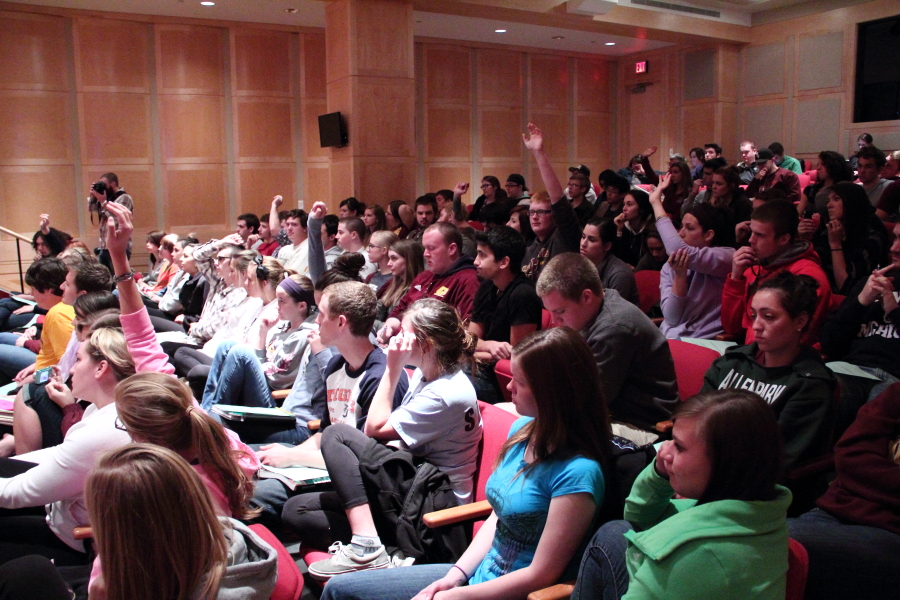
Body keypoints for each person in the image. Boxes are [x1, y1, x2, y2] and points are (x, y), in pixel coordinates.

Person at [318, 327, 611, 600]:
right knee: (338, 590)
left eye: (520, 382)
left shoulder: (579, 472)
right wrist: (455, 576)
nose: (508, 386)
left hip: (509, 593)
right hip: (474, 577)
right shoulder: (521, 432)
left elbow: (541, 574)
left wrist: (459, 595)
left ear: (552, 394)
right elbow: (498, 517)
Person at [285, 299, 483, 579]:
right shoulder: (427, 376)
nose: (396, 338)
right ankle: (390, 552)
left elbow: (374, 428)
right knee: (297, 509)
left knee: (337, 435)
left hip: (434, 504)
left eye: (404, 333)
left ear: (426, 343)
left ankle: (367, 547)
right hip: (412, 486)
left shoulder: (446, 392)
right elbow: (389, 442)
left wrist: (392, 369)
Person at [571, 389, 791, 600]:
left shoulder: (692, 557)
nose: (664, 451)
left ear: (724, 463)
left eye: (679, 446)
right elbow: (639, 518)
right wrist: (659, 474)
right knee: (614, 532)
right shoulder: (754, 507)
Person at [2, 444, 277, 600]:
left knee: (28, 573)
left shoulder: (118, 587)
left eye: (99, 518)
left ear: (125, 534)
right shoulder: (224, 544)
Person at [536, 253, 678, 443]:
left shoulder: (615, 327)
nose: (555, 321)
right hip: (611, 415)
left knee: (551, 435)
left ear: (586, 296)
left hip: (642, 425)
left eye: (560, 311)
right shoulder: (593, 310)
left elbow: (590, 399)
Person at [702, 273, 836, 472]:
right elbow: (696, 420)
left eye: (769, 317)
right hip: (703, 461)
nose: (756, 326)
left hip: (751, 483)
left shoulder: (810, 384)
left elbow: (780, 457)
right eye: (754, 315)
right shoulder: (730, 364)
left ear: (800, 321)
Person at [787, 383, 900, 600]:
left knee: (770, 544)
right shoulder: (894, 393)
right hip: (833, 511)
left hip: (889, 529)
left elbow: (858, 464)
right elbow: (849, 456)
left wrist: (866, 475)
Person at [722, 200, 832, 345]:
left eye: (760, 235)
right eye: (752, 232)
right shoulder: (753, 270)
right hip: (751, 353)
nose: (750, 240)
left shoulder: (808, 277)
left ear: (784, 239)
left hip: (783, 360)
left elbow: (796, 340)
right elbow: (732, 328)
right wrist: (736, 278)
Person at [819, 221, 900, 418]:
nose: (893, 247)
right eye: (896, 237)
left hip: (893, 379)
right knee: (811, 387)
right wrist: (861, 301)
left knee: (876, 411)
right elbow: (829, 343)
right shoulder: (870, 283)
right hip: (851, 369)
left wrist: (893, 310)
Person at [649, 175, 735, 339]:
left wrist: (656, 203)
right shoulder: (671, 265)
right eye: (681, 226)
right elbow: (672, 318)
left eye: (689, 228)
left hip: (703, 342)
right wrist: (680, 276)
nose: (680, 234)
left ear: (709, 235)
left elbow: (676, 248)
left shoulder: (727, 257)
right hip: (669, 340)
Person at [469, 226, 542, 402]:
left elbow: (515, 356)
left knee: (446, 385)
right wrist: (488, 346)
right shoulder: (487, 286)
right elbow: (470, 339)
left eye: (482, 255)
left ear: (504, 262)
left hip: (500, 382)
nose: (475, 262)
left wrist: (467, 355)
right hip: (478, 367)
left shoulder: (523, 295)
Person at [377, 222, 480, 341]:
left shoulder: (468, 281)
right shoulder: (425, 276)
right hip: (403, 342)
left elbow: (465, 332)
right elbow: (401, 308)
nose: (425, 254)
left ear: (451, 249)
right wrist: (389, 326)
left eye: (431, 248)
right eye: (424, 248)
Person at [521, 123, 582, 282]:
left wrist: (538, 154)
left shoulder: (564, 237)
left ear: (554, 215)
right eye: (532, 212)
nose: (534, 217)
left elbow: (559, 201)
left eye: (541, 212)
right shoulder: (530, 248)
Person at [813, 181, 889, 295]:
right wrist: (807, 239)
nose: (828, 205)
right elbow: (814, 269)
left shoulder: (873, 240)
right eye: (829, 200)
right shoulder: (829, 232)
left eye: (836, 199)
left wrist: (835, 245)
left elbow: (845, 287)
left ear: (852, 202)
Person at [580, 218, 639, 306]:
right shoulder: (580, 265)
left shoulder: (619, 274)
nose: (583, 244)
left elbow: (612, 314)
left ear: (607, 246)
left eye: (592, 240)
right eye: (583, 237)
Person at [87, 172, 134, 273]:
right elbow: (92, 209)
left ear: (112, 184)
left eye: (104, 184)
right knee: (106, 279)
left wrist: (104, 202)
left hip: (119, 247)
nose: (102, 187)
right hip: (104, 246)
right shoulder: (107, 199)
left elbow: (116, 218)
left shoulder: (124, 197)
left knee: (117, 277)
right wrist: (93, 196)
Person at [373, 239, 424, 330]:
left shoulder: (419, 290)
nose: (389, 264)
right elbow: (377, 310)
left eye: (394, 258)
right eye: (389, 258)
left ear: (409, 260)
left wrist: (369, 324)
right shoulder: (393, 284)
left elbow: (401, 328)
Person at [797, 150, 854, 218]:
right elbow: (797, 214)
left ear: (834, 166)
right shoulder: (810, 190)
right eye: (818, 164)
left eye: (823, 164)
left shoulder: (844, 190)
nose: (818, 168)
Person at [612, 188, 655, 267]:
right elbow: (616, 257)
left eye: (629, 204)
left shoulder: (652, 229)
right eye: (624, 204)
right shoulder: (623, 226)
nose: (624, 208)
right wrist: (619, 231)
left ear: (642, 208)